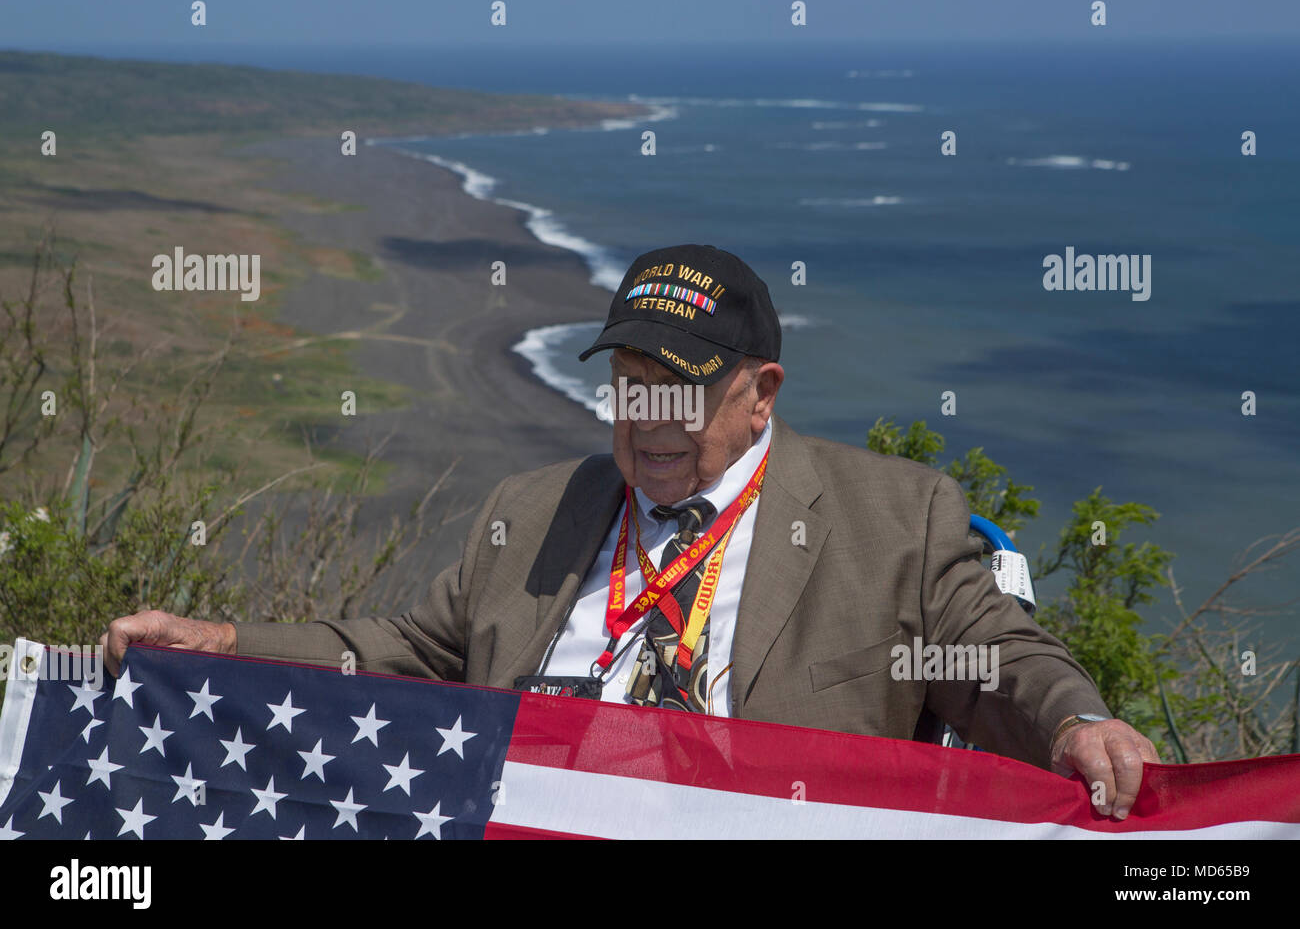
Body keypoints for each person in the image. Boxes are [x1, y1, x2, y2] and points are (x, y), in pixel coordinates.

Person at [102, 243, 1159, 819]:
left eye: (680, 394)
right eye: (627, 389)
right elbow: (405, 655)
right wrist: (226, 645)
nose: (647, 423)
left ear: (761, 392)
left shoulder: (892, 516)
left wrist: (1074, 722)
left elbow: (995, 654)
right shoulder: (531, 512)